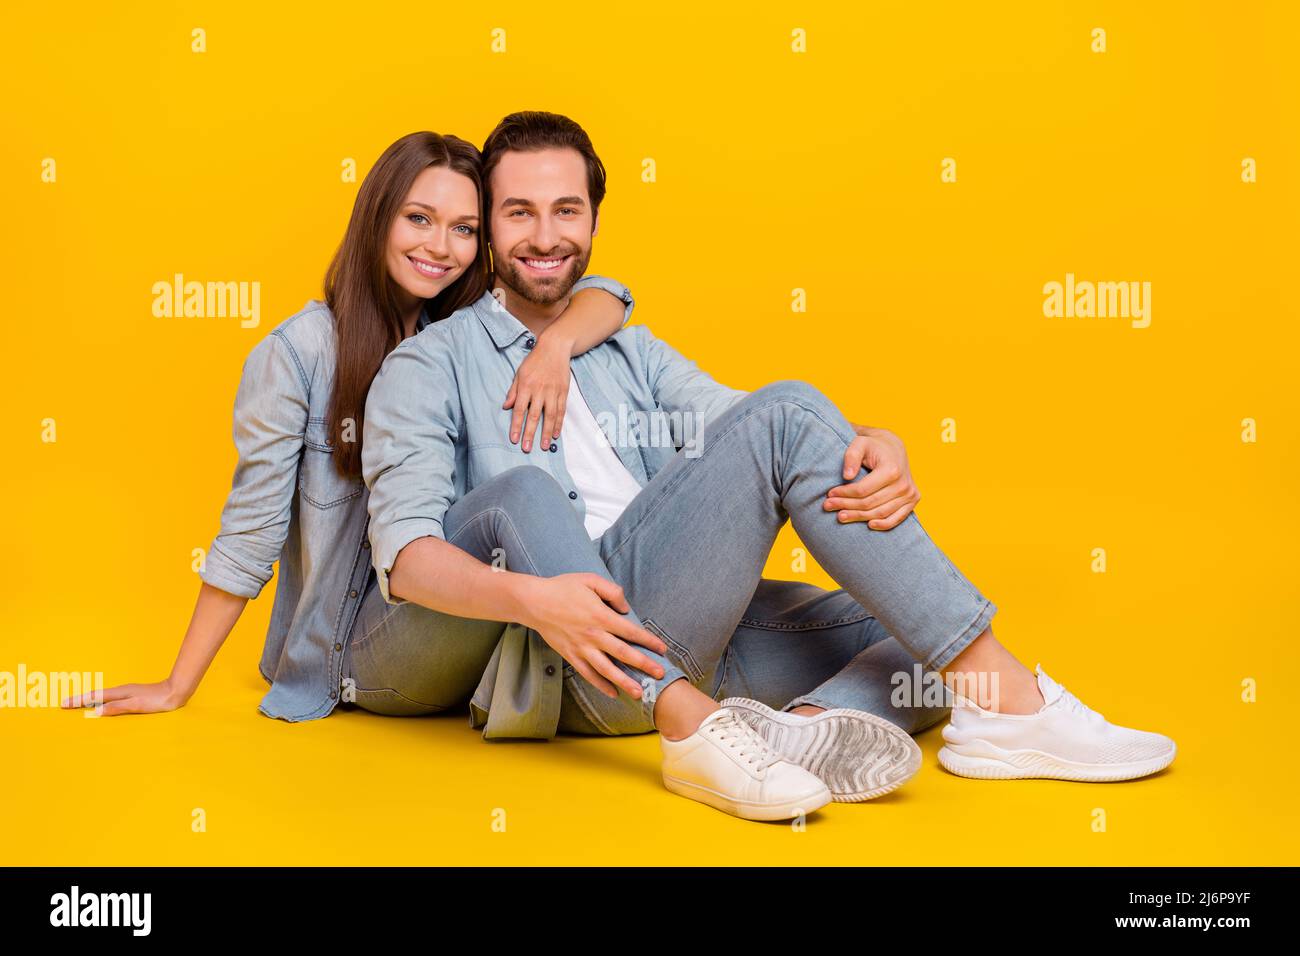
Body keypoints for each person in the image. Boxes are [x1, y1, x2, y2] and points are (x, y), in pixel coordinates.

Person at [361, 111, 1179, 820]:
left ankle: (807, 730)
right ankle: (1011, 702)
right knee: (784, 420)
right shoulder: (432, 365)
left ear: (596, 221)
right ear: (489, 230)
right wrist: (538, 600)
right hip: (578, 663)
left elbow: (745, 427)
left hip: (696, 634)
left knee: (908, 625)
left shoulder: (629, 351)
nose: (545, 236)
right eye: (518, 213)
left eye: (566, 209)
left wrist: (872, 439)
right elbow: (406, 557)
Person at [59, 131, 638, 728]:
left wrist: (557, 344)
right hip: (364, 634)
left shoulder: (473, 336)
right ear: (377, 217)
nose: (440, 247)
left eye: (464, 229)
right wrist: (177, 684)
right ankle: (663, 695)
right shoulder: (299, 353)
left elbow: (601, 292)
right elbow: (249, 532)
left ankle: (657, 683)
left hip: (474, 632)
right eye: (419, 219)